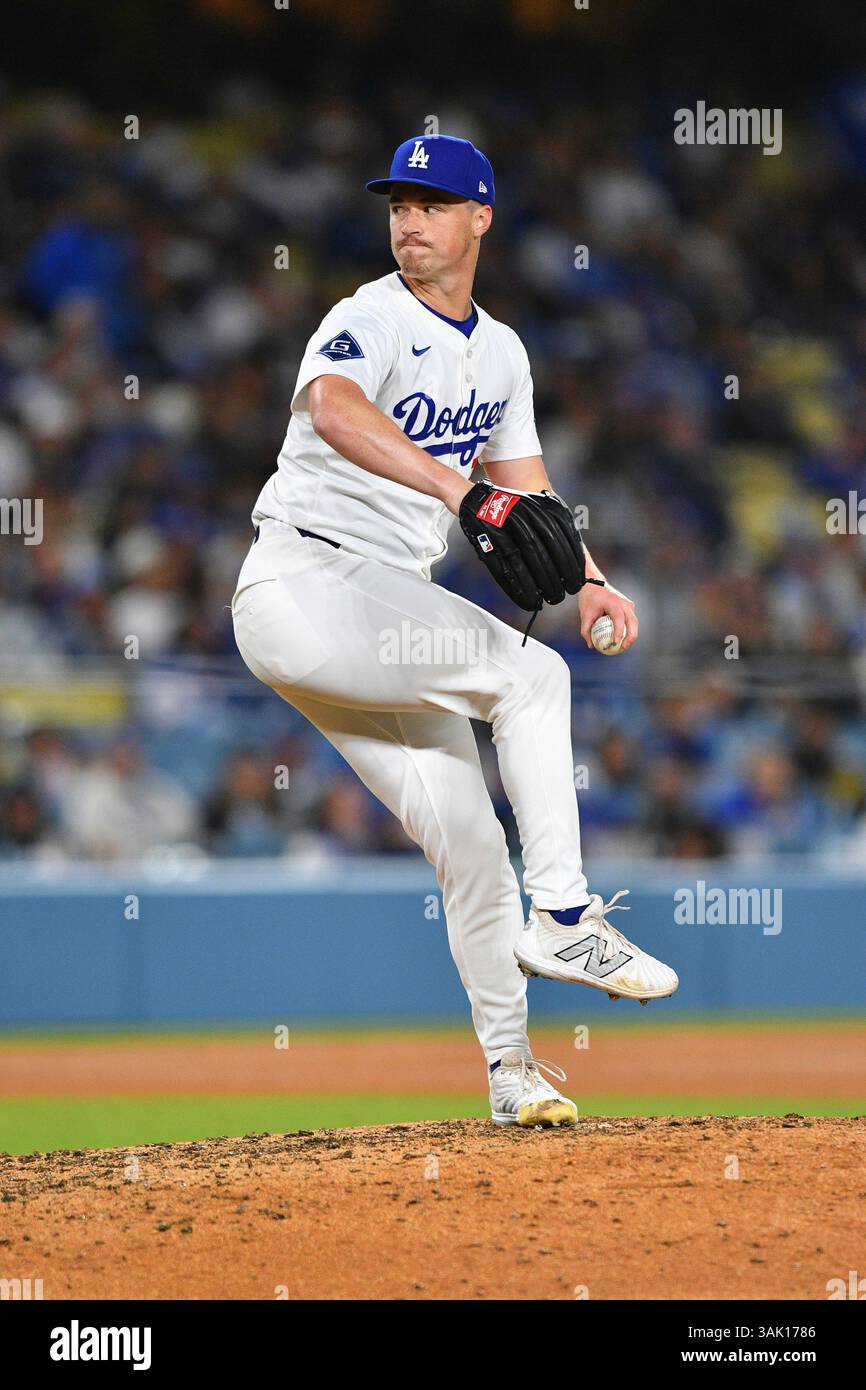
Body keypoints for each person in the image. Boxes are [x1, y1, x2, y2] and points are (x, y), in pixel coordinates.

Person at [232, 135, 678, 1128]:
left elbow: (526, 491)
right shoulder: (368, 316)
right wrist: (455, 486)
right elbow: (333, 407)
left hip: (369, 612)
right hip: (304, 579)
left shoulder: (503, 351)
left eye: (431, 202)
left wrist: (592, 581)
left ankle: (513, 1073)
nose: (406, 219)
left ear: (480, 217)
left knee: (472, 844)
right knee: (532, 680)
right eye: (396, 201)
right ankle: (563, 916)